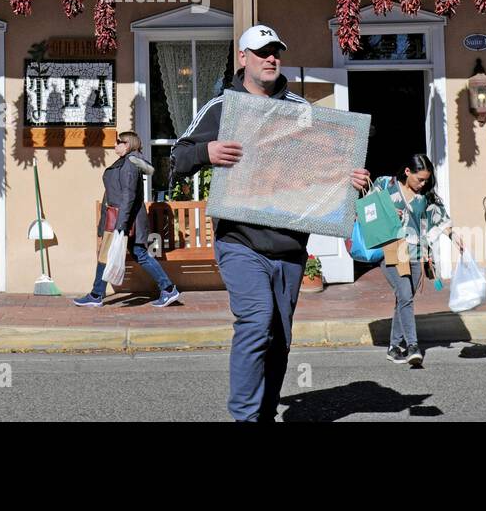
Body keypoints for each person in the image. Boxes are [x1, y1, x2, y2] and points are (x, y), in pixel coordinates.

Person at [171, 24, 371, 422]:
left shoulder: (301, 110)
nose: (270, 58)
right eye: (261, 52)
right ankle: (244, 417)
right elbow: (177, 158)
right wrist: (206, 151)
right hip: (240, 242)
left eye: (275, 51)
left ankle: (262, 414)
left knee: (279, 339)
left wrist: (352, 181)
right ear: (242, 57)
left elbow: (325, 165)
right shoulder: (223, 107)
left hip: (291, 249)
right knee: (257, 321)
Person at [376, 153, 466, 366]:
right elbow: (367, 209)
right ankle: (413, 346)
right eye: (420, 179)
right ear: (407, 172)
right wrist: (388, 213)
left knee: (404, 299)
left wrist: (454, 237)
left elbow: (440, 218)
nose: (423, 184)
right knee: (405, 295)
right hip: (391, 250)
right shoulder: (385, 185)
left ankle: (394, 347)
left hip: (416, 252)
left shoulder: (425, 195)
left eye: (426, 180)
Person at [75, 131, 181, 308]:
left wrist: (121, 225)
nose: (115, 145)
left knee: (129, 254)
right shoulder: (127, 162)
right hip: (119, 218)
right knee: (120, 254)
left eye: (118, 142)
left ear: (127, 144)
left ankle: (168, 289)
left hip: (124, 220)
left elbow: (128, 196)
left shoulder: (130, 163)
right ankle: (97, 294)